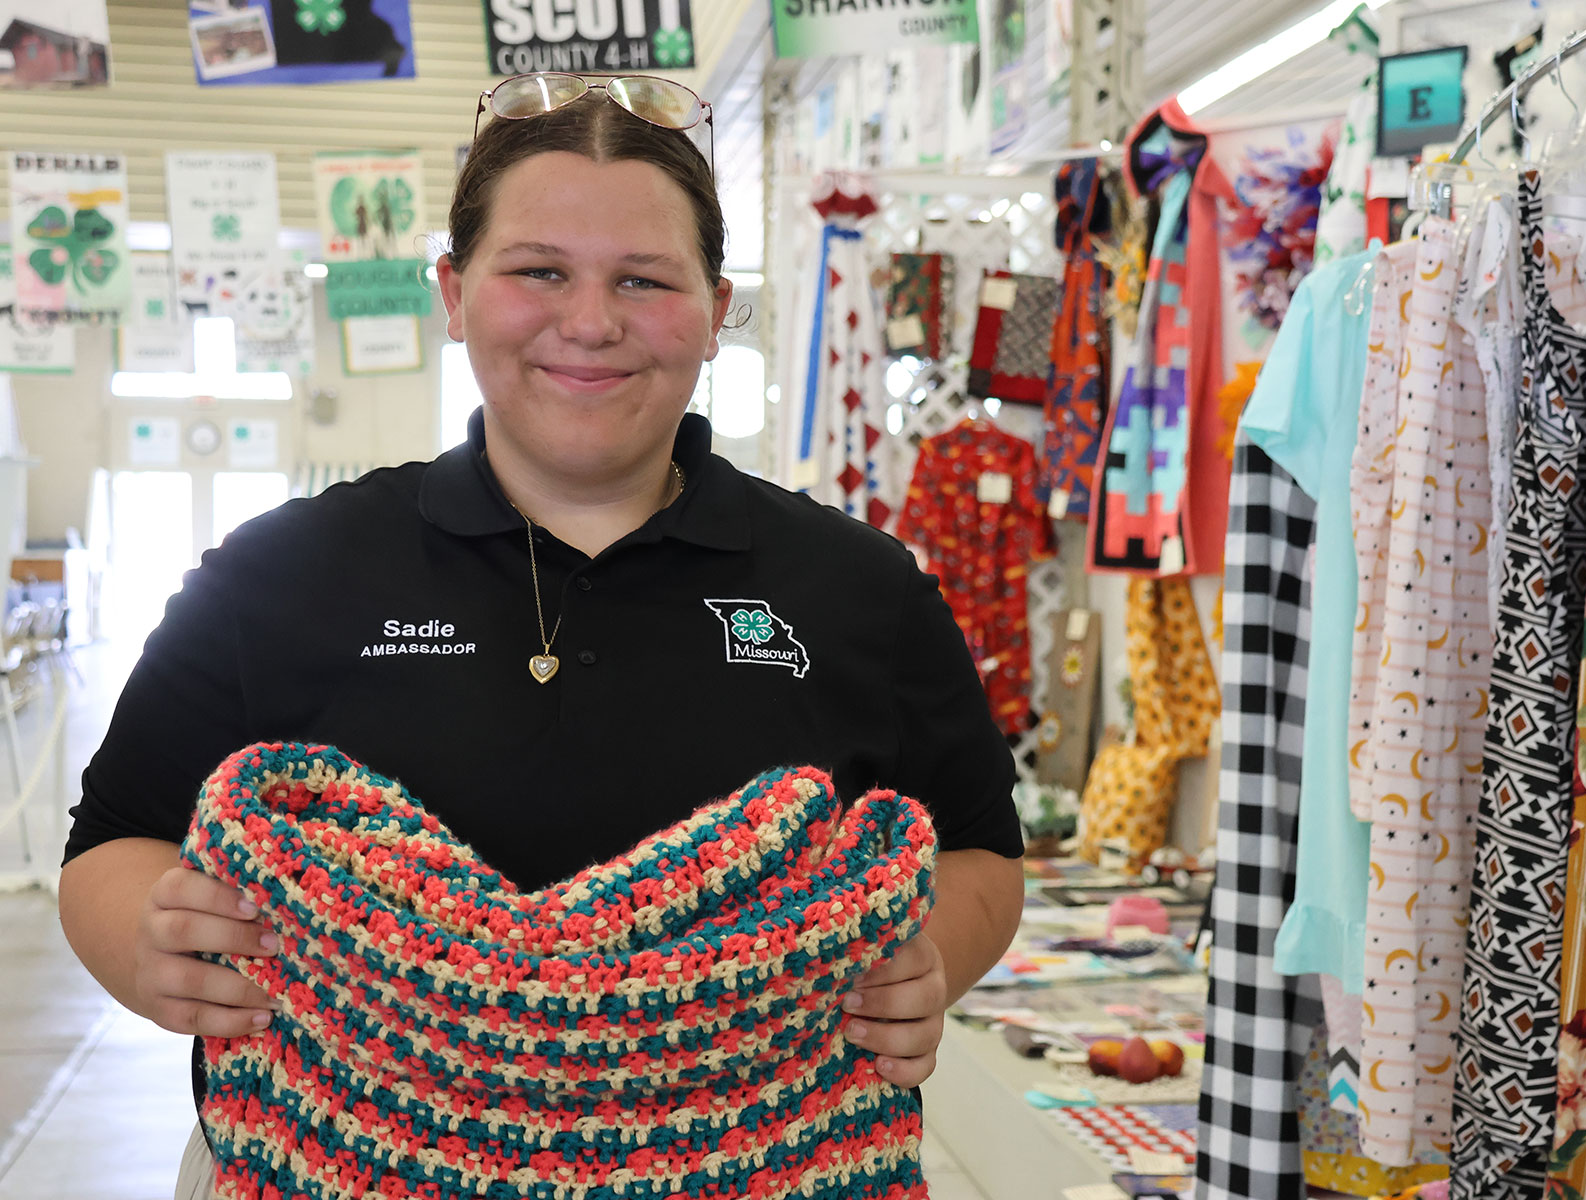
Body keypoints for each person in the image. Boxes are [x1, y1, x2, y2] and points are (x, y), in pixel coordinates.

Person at [58, 72, 1024, 1191]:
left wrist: (932, 959)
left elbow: (979, 852)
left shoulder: (860, 590)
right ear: (455, 293)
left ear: (715, 313)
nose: (589, 321)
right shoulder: (279, 574)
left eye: (644, 280)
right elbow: (115, 836)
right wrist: (147, 945)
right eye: (539, 272)